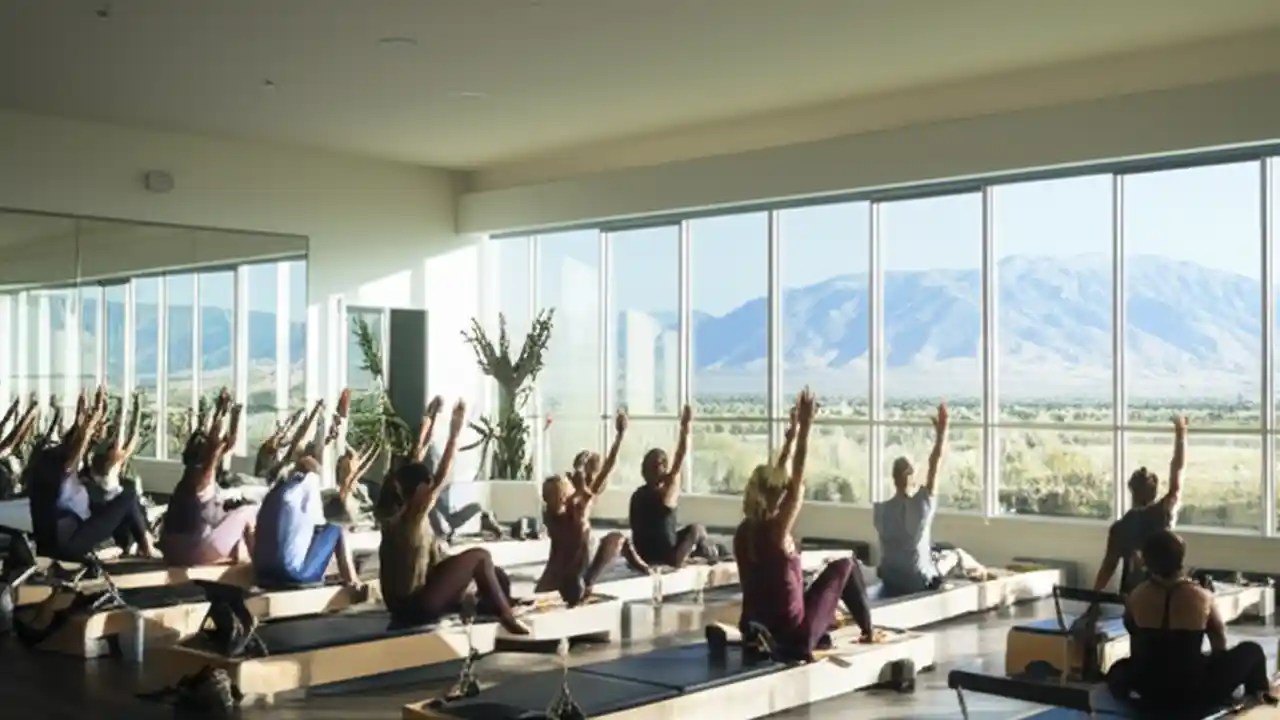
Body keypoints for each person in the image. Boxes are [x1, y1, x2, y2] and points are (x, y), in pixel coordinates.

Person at [733, 389, 874, 661]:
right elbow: (796, 479)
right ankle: (868, 630)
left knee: (806, 590)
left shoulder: (744, 531)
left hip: (755, 623)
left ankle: (817, 630)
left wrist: (791, 438)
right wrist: (806, 428)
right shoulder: (777, 530)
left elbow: (776, 477)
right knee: (846, 565)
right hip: (793, 635)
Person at [377, 399, 529, 635]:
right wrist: (454, 434)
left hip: (409, 601)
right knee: (480, 557)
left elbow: (414, 460)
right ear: (418, 492)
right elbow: (441, 478)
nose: (431, 494)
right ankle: (506, 616)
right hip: (413, 606)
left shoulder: (400, 516)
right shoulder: (410, 519)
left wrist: (430, 420)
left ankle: (495, 605)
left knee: (495, 573)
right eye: (427, 489)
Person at [1106, 530, 1276, 711]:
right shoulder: (1201, 596)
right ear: (1181, 559)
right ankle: (1257, 703)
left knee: (1119, 669)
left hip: (1148, 689)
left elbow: (1132, 633)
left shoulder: (1136, 596)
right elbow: (1219, 642)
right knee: (1252, 650)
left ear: (1146, 561)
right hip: (1195, 692)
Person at [29, 388, 158, 561]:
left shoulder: (47, 470)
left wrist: (85, 417)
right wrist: (89, 427)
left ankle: (129, 543)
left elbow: (73, 445)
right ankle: (147, 546)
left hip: (50, 542)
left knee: (114, 505)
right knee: (127, 497)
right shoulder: (64, 472)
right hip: (70, 543)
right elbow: (74, 453)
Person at [252, 391, 364, 590]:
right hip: (290, 574)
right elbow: (324, 523)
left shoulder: (277, 489)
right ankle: (351, 579)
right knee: (336, 527)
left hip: (261, 572)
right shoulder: (306, 488)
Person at [537, 410, 648, 607]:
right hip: (563, 569)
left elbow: (607, 468)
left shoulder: (580, 497)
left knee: (617, 539)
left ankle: (642, 566)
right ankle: (641, 566)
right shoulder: (572, 500)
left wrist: (620, 437)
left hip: (578, 566)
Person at [160, 397, 260, 566]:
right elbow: (218, 444)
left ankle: (236, 556)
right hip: (191, 552)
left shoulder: (187, 478)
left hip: (170, 551)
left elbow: (226, 443)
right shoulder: (203, 475)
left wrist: (230, 414)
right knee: (247, 512)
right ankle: (258, 564)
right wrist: (223, 412)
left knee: (228, 517)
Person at [1093, 417, 1187, 594]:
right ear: (1154, 490)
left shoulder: (1120, 528)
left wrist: (1093, 601)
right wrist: (1181, 434)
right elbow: (1177, 471)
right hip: (1164, 592)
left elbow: (1107, 569)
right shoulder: (1162, 512)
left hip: (1132, 596)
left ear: (1131, 489)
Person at [874, 401, 948, 597]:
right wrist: (941, 435)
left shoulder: (880, 512)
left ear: (893, 477)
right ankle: (986, 576)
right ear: (912, 476)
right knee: (954, 555)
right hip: (917, 582)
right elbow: (935, 466)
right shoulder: (921, 506)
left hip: (890, 577)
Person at [629, 404, 715, 568]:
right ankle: (707, 553)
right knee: (696, 529)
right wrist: (685, 428)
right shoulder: (665, 494)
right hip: (669, 558)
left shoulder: (637, 495)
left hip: (643, 555)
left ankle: (705, 550)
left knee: (695, 531)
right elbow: (679, 457)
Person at [416, 396, 502, 540]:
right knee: (443, 515)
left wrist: (433, 416)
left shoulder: (430, 450)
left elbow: (426, 445)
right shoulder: (431, 446)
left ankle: (479, 513)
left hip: (436, 478)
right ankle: (479, 513)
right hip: (435, 477)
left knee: (440, 513)